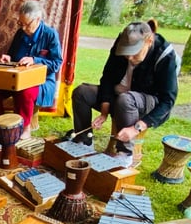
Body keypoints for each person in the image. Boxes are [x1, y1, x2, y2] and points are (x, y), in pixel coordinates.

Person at [68, 19, 178, 164]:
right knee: (81, 92)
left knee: (126, 99)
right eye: (126, 54)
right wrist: (104, 111)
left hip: (146, 105)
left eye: (134, 53)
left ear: (149, 41)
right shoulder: (122, 43)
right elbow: (107, 77)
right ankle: (84, 144)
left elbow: (168, 100)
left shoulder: (164, 55)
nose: (129, 58)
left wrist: (136, 128)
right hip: (119, 98)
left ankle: (124, 154)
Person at [0, 0, 63, 138]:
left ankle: (24, 128)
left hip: (41, 82)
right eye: (21, 24)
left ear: (38, 19)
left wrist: (35, 60)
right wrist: (7, 58)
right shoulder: (20, 33)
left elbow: (56, 63)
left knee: (25, 91)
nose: (24, 28)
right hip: (17, 78)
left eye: (27, 24)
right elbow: (13, 55)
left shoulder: (50, 34)